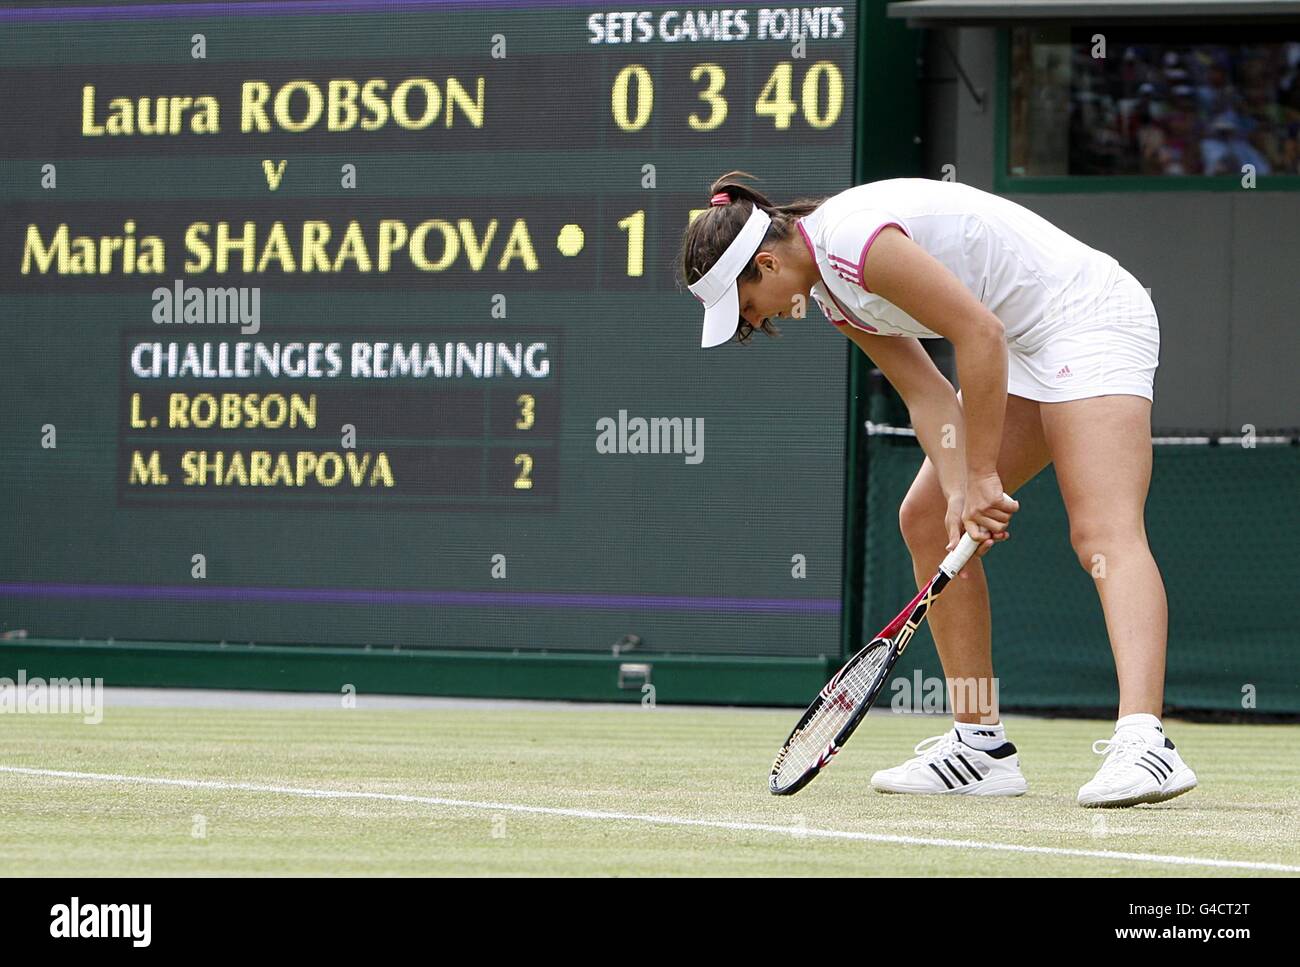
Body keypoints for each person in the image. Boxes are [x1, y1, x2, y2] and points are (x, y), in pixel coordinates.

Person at [679, 171, 1197, 807]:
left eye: (746, 307)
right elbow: (925, 393)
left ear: (764, 262)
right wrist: (960, 491)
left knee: (1101, 530)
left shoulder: (854, 243)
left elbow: (979, 334)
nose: (752, 324)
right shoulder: (832, 296)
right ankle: (982, 745)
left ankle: (1146, 743)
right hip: (1026, 343)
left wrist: (980, 476)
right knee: (927, 518)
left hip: (1088, 318)